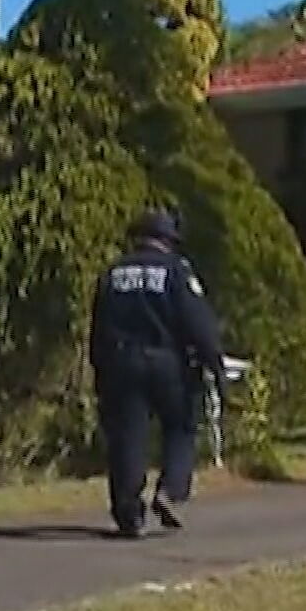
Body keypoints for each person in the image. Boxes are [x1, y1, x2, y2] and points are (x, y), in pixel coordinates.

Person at [89, 206, 225, 538]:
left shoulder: (113, 273)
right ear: (168, 240)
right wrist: (215, 364)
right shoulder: (177, 271)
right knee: (180, 429)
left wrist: (100, 368)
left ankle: (129, 512)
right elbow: (197, 323)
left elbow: (99, 325)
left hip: (122, 363)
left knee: (128, 437)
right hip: (168, 364)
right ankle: (170, 491)